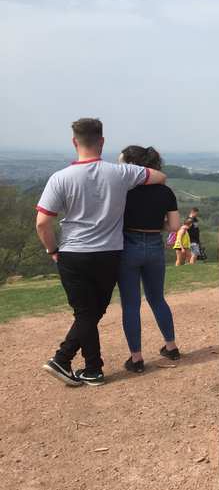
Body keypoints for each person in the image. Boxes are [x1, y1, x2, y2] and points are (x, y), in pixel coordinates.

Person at [35, 118, 166, 387]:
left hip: (72, 253)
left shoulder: (60, 178)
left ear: (74, 142)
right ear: (102, 141)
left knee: (85, 311)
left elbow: (42, 223)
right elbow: (159, 177)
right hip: (109, 253)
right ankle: (87, 367)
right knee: (92, 311)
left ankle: (73, 362)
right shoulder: (121, 173)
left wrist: (52, 250)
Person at [117, 146, 182, 374]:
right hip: (155, 246)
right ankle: (171, 347)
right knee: (157, 298)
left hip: (128, 246)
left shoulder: (124, 190)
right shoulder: (166, 192)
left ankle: (136, 359)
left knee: (131, 304)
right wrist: (154, 226)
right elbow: (174, 226)